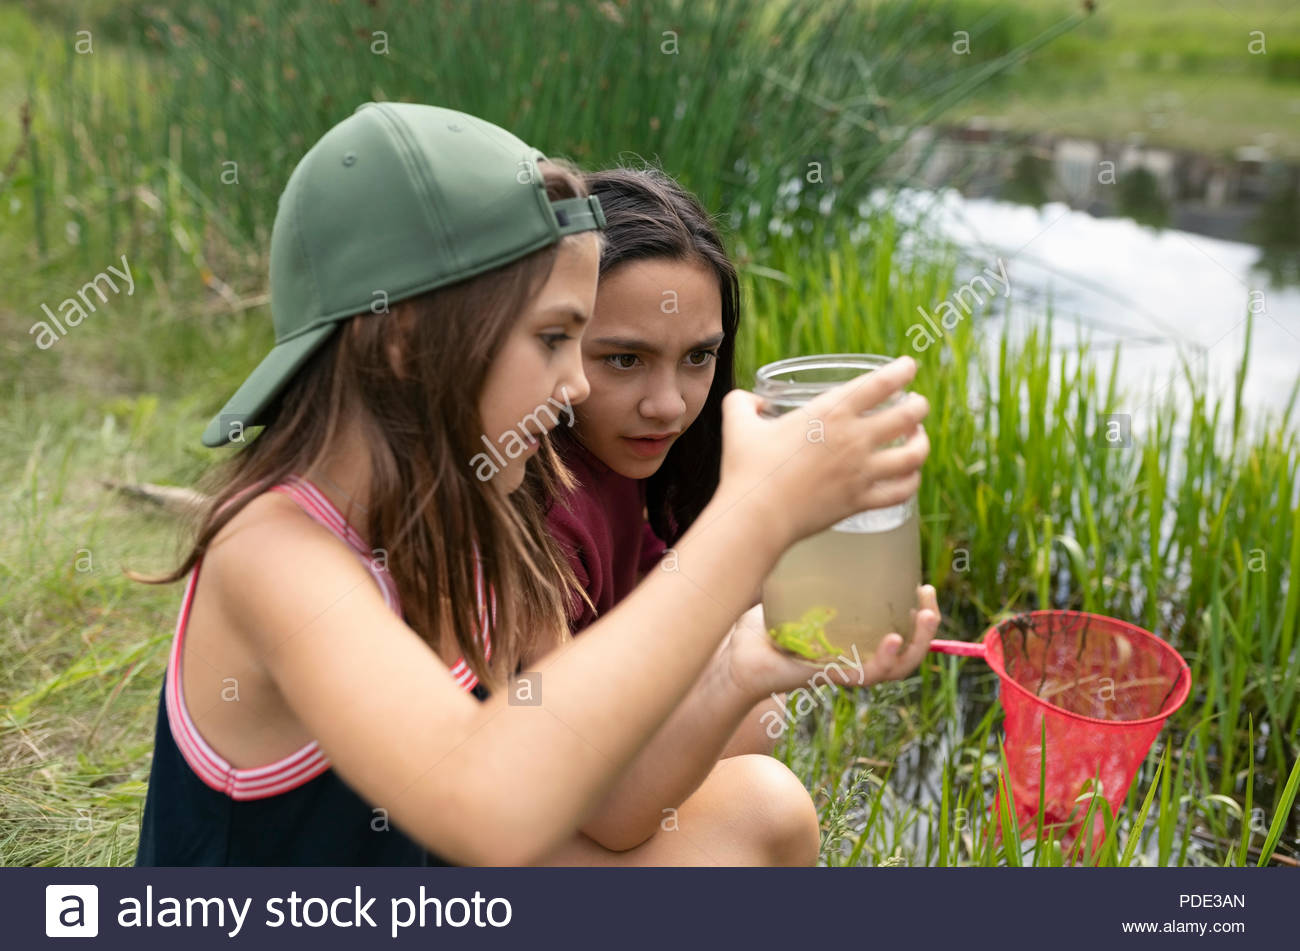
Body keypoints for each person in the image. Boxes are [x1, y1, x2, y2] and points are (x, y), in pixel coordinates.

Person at [132, 102, 934, 867]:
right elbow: (487, 804)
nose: (576, 386)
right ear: (406, 340)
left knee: (762, 809)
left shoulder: (475, 525)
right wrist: (753, 518)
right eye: (554, 338)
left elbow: (612, 808)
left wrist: (739, 669)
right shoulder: (273, 554)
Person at [539, 166, 941, 859]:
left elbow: (665, 608)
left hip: (561, 778)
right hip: (460, 859)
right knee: (767, 808)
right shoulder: (529, 506)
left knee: (759, 703)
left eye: (698, 357)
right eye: (625, 359)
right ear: (552, 335)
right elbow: (599, 810)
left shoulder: (628, 462)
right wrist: (734, 667)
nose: (668, 403)